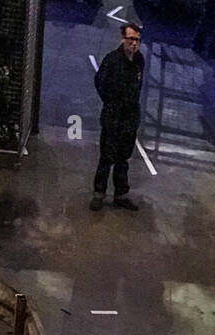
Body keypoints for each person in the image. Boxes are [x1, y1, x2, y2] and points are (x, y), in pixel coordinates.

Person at [92, 22, 145, 212]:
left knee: (123, 158)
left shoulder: (139, 60)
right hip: (113, 116)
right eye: (131, 39)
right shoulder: (112, 60)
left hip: (129, 118)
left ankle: (121, 195)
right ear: (123, 39)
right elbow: (100, 82)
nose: (134, 44)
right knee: (107, 156)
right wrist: (111, 102)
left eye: (137, 40)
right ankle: (99, 193)